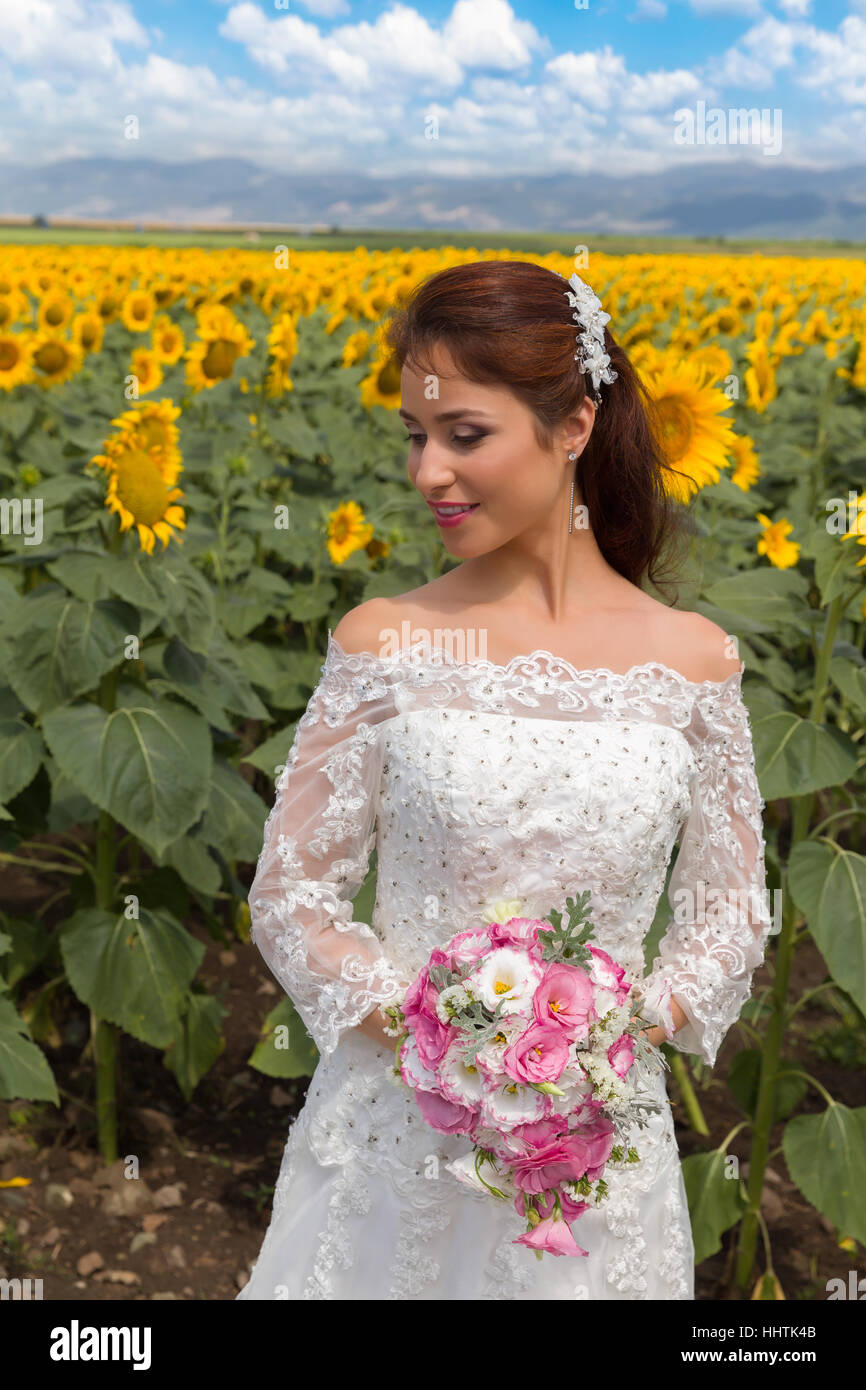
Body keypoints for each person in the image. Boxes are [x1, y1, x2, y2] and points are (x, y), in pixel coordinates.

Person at [235, 259, 772, 1300]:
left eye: (463, 434)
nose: (426, 470)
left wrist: (615, 1032)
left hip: (595, 1161)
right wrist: (441, 1032)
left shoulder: (692, 664)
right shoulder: (383, 641)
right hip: (399, 1140)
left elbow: (725, 916)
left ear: (571, 425)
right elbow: (291, 895)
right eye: (414, 434)